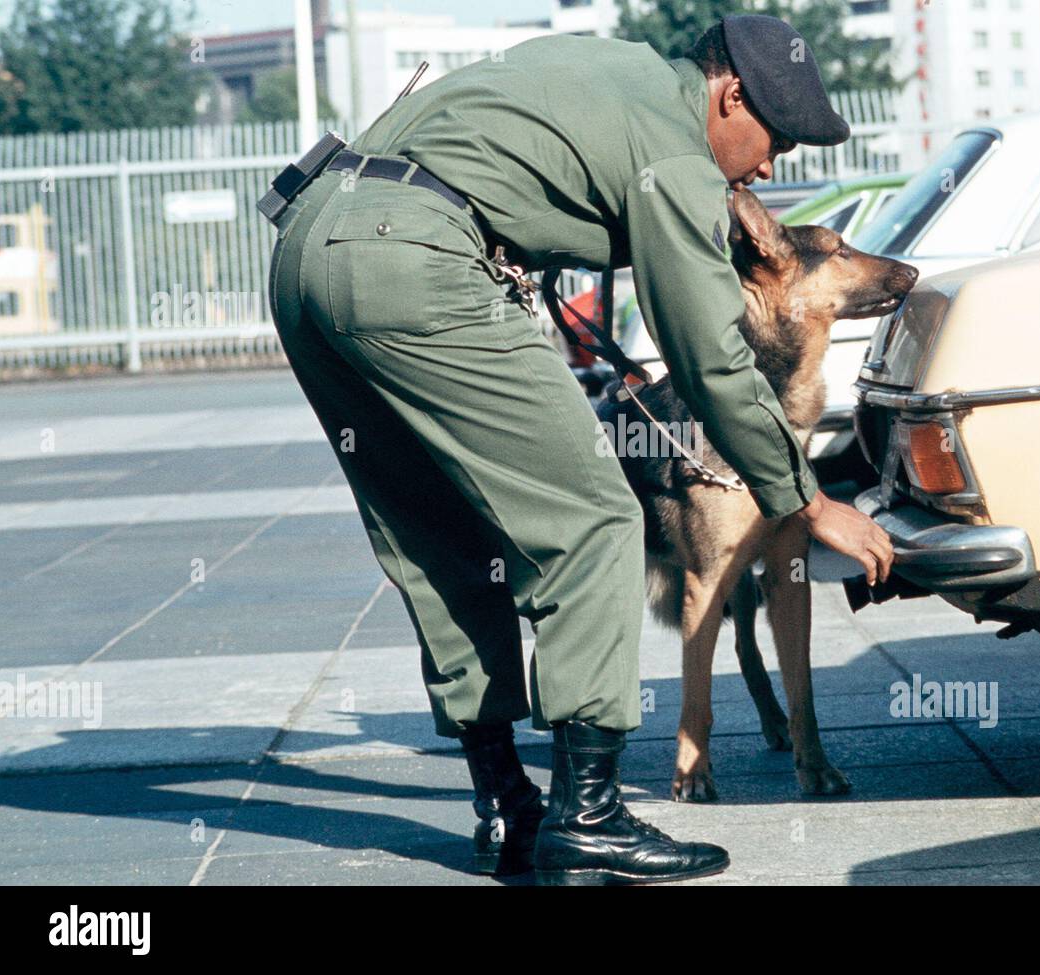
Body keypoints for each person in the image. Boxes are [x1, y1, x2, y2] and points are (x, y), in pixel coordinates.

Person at [266, 14, 894, 886]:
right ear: (731, 95)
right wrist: (809, 500)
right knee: (598, 515)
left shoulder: (604, 69)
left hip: (304, 248)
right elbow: (712, 356)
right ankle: (588, 816)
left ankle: (509, 805)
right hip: (414, 258)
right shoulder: (676, 148)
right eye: (774, 139)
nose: (768, 166)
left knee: (441, 536)